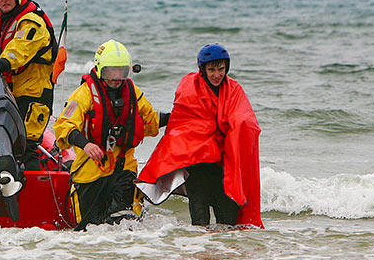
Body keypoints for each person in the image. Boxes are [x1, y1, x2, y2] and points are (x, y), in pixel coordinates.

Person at [136, 43, 263, 227]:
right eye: (211, 69)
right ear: (202, 69)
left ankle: (227, 255)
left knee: (228, 226)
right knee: (200, 225)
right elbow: (182, 123)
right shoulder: (189, 87)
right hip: (198, 168)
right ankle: (198, 254)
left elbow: (246, 121)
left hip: (226, 167)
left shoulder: (234, 90)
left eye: (221, 69)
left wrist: (234, 127)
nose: (217, 74)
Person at [53, 40, 165, 229]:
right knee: (89, 229)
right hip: (90, 171)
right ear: (99, 70)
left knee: (126, 223)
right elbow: (64, 126)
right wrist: (86, 145)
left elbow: (150, 121)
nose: (116, 77)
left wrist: (178, 116)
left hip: (123, 167)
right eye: (110, 71)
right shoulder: (83, 94)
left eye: (121, 71)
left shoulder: (133, 92)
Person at [0, 0, 57, 170]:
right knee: (10, 146)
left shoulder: (31, 22)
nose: (4, 0)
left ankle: (32, 192)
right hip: (12, 92)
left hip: (33, 94)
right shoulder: (4, 20)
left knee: (27, 147)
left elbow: (19, 49)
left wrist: (0, 66)